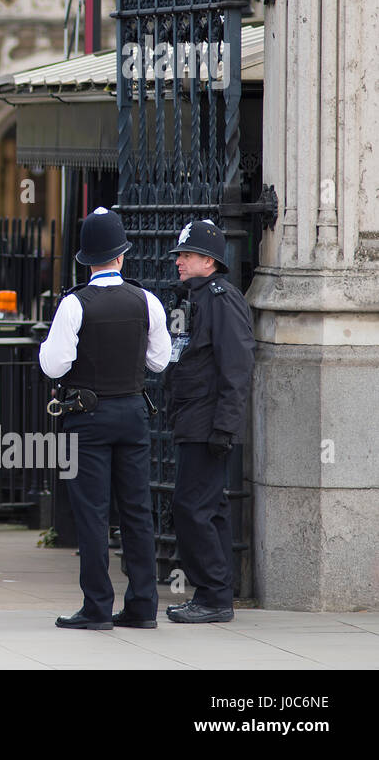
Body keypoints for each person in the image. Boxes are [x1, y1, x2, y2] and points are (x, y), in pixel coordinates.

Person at [39, 208, 170, 630]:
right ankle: (142, 606)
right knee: (136, 511)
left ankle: (97, 607)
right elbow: (159, 360)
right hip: (133, 413)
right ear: (122, 255)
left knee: (93, 513)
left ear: (86, 259)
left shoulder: (74, 303)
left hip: (87, 417)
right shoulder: (146, 300)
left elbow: (54, 365)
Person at [163, 219, 254, 625]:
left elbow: (237, 368)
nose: (179, 262)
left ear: (208, 261)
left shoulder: (221, 299)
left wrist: (224, 428)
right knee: (209, 509)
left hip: (206, 424)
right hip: (192, 420)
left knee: (191, 509)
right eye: (180, 255)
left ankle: (213, 596)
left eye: (186, 255)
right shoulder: (193, 299)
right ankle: (216, 593)